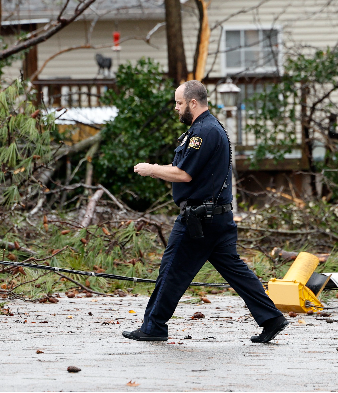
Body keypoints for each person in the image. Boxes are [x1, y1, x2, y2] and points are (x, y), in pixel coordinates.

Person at [123, 80, 288, 343]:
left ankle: (153, 326)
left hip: (200, 219)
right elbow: (188, 168)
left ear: (192, 103)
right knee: (235, 270)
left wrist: (150, 168)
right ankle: (272, 318)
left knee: (171, 270)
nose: (176, 108)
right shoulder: (208, 128)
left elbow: (184, 174)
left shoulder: (203, 132)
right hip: (217, 216)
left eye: (179, 103)